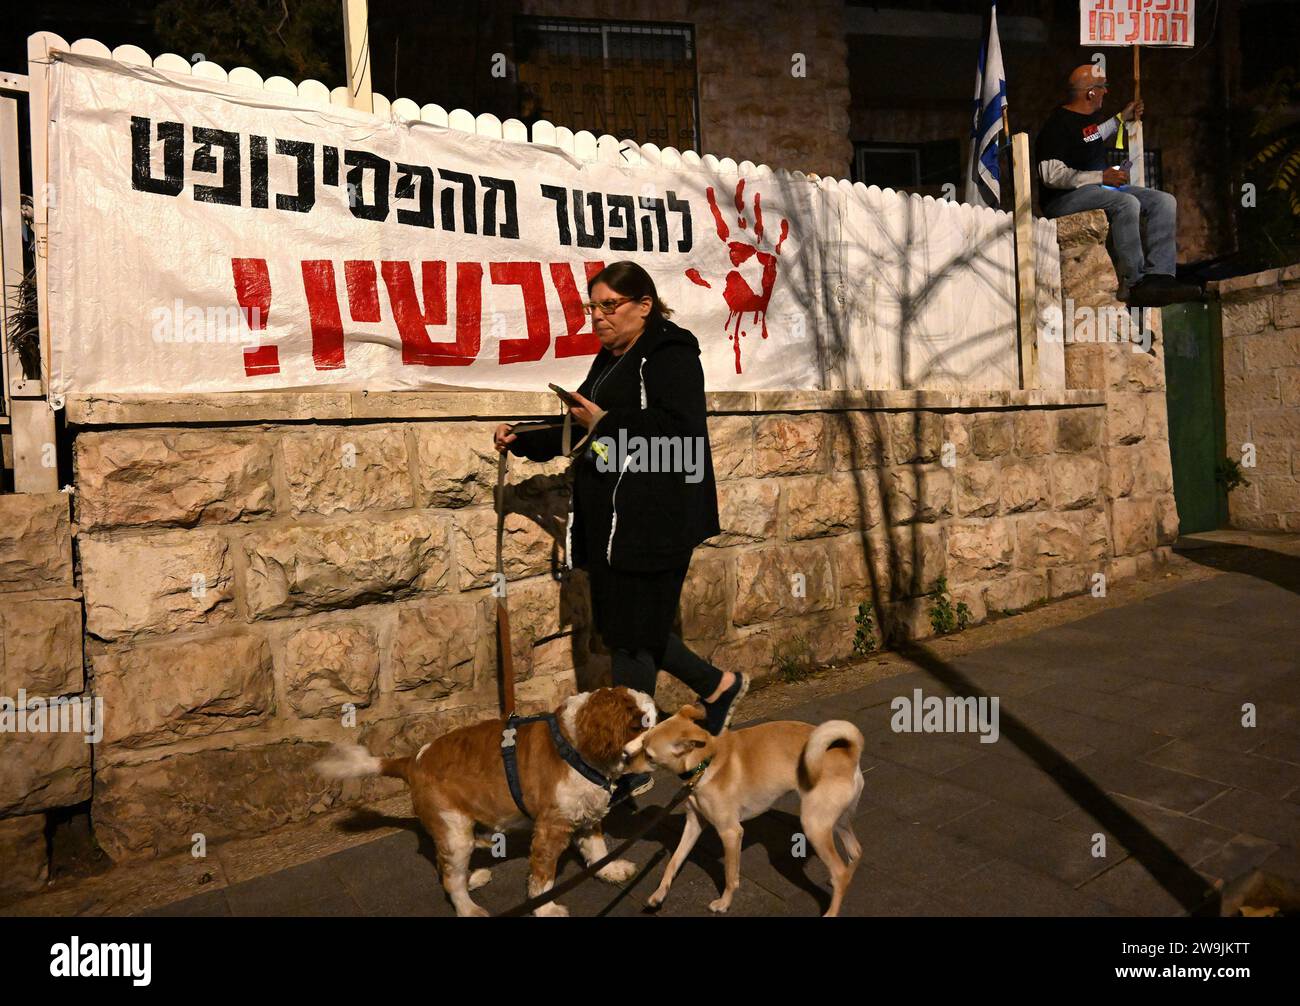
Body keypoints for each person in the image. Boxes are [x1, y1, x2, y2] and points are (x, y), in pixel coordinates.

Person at [493, 262, 748, 793]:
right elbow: (577, 424)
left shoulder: (671, 352)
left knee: (636, 635)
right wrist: (521, 438)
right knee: (628, 635)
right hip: (612, 522)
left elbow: (680, 432)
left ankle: (637, 758)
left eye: (610, 306)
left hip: (658, 518)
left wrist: (608, 424)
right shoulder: (610, 360)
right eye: (593, 307)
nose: (599, 318)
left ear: (644, 305)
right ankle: (710, 693)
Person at [1035, 64, 1201, 307]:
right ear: (1091, 93)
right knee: (1125, 202)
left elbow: (1092, 136)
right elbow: (1050, 174)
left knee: (1163, 201)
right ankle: (1134, 283)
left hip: (1095, 190)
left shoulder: (1085, 122)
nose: (1106, 92)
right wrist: (1101, 177)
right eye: (1103, 87)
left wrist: (1121, 118)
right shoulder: (1057, 125)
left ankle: (1160, 278)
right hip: (1062, 199)